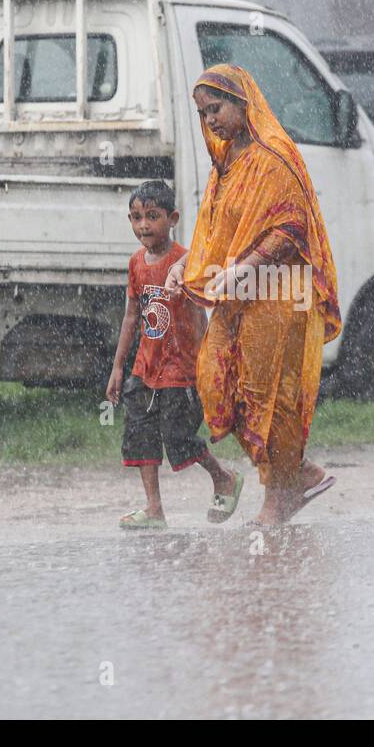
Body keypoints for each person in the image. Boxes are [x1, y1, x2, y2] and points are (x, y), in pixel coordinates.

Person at [164, 64, 341, 526]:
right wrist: (189, 264)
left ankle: (278, 497)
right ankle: (301, 472)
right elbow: (216, 229)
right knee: (217, 382)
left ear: (244, 103)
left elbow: (291, 227)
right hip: (236, 294)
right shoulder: (226, 163)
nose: (211, 121)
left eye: (217, 108)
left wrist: (246, 267)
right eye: (203, 114)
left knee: (269, 394)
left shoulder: (274, 157)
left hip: (279, 293)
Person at [107, 180, 242, 529]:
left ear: (173, 218)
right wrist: (118, 366)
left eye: (153, 216)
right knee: (139, 434)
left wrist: (207, 368)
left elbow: (201, 314)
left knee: (179, 437)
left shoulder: (187, 261)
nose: (144, 226)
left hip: (181, 368)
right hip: (146, 367)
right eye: (137, 218)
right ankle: (154, 509)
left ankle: (223, 477)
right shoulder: (136, 263)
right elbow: (132, 315)